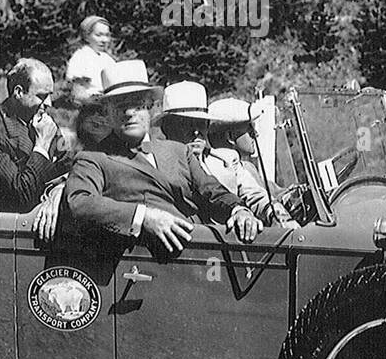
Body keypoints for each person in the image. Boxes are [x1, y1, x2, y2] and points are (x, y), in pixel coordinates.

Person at [64, 61, 263, 253]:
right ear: (107, 112)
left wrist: (239, 210)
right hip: (149, 263)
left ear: (150, 107)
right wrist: (143, 217)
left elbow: (213, 191)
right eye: (120, 106)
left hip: (201, 254)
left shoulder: (179, 152)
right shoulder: (93, 158)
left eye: (137, 104)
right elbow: (80, 202)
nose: (129, 113)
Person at [0, 58, 70, 212]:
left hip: (40, 209)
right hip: (1, 223)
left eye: (50, 95)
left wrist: (59, 189)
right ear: (19, 92)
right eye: (42, 96)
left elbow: (68, 163)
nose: (49, 103)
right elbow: (20, 197)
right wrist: (41, 146)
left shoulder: (40, 119)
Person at [206, 97, 290, 225]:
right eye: (249, 129)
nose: (255, 133)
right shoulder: (219, 167)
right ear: (230, 137)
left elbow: (268, 191)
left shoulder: (245, 166)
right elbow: (253, 196)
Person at [65, 15, 116, 97]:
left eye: (107, 35)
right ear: (86, 36)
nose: (104, 40)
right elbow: (77, 90)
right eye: (99, 35)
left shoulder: (107, 59)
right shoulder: (80, 57)